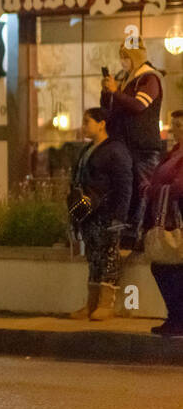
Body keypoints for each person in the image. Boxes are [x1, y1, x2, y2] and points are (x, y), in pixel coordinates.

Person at [67, 108, 133, 322]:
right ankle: (91, 304)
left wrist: (120, 216)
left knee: (109, 256)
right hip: (87, 211)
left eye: (87, 121)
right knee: (93, 257)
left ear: (102, 123)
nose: (83, 126)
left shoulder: (114, 150)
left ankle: (106, 303)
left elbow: (125, 185)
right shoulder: (87, 149)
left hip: (106, 212)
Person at [101, 45, 165, 246]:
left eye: (125, 57)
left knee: (143, 191)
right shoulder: (128, 81)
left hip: (143, 146)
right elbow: (112, 110)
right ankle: (129, 235)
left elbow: (138, 105)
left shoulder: (149, 79)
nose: (122, 62)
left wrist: (115, 92)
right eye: (121, 57)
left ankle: (140, 236)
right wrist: (108, 93)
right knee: (129, 192)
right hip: (127, 147)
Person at [144, 110, 183, 336]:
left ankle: (178, 319)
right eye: (174, 124)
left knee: (172, 268)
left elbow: (178, 186)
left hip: (178, 216)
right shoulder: (173, 152)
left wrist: (157, 189)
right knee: (163, 265)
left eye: (180, 124)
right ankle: (175, 317)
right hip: (168, 216)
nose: (176, 128)